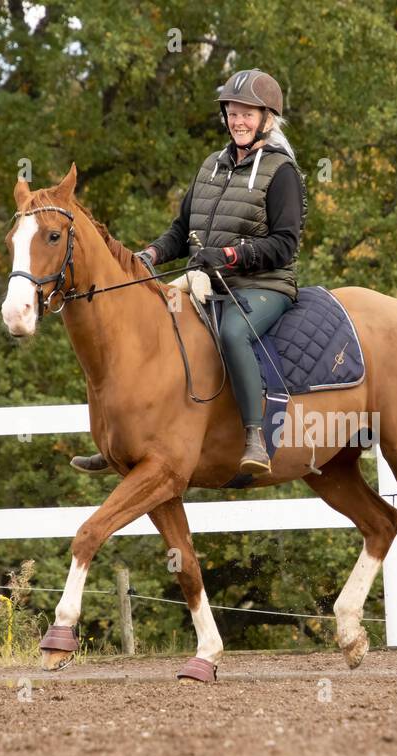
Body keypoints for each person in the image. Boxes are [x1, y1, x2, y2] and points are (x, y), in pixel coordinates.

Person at [71, 68, 307, 477]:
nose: (238, 121)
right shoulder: (212, 166)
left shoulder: (281, 172)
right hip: (206, 281)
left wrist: (230, 255)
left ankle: (255, 435)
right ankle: (124, 438)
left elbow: (285, 244)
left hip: (263, 286)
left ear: (267, 119)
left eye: (248, 114)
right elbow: (183, 231)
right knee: (139, 329)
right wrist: (150, 254)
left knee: (233, 332)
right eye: (233, 113)